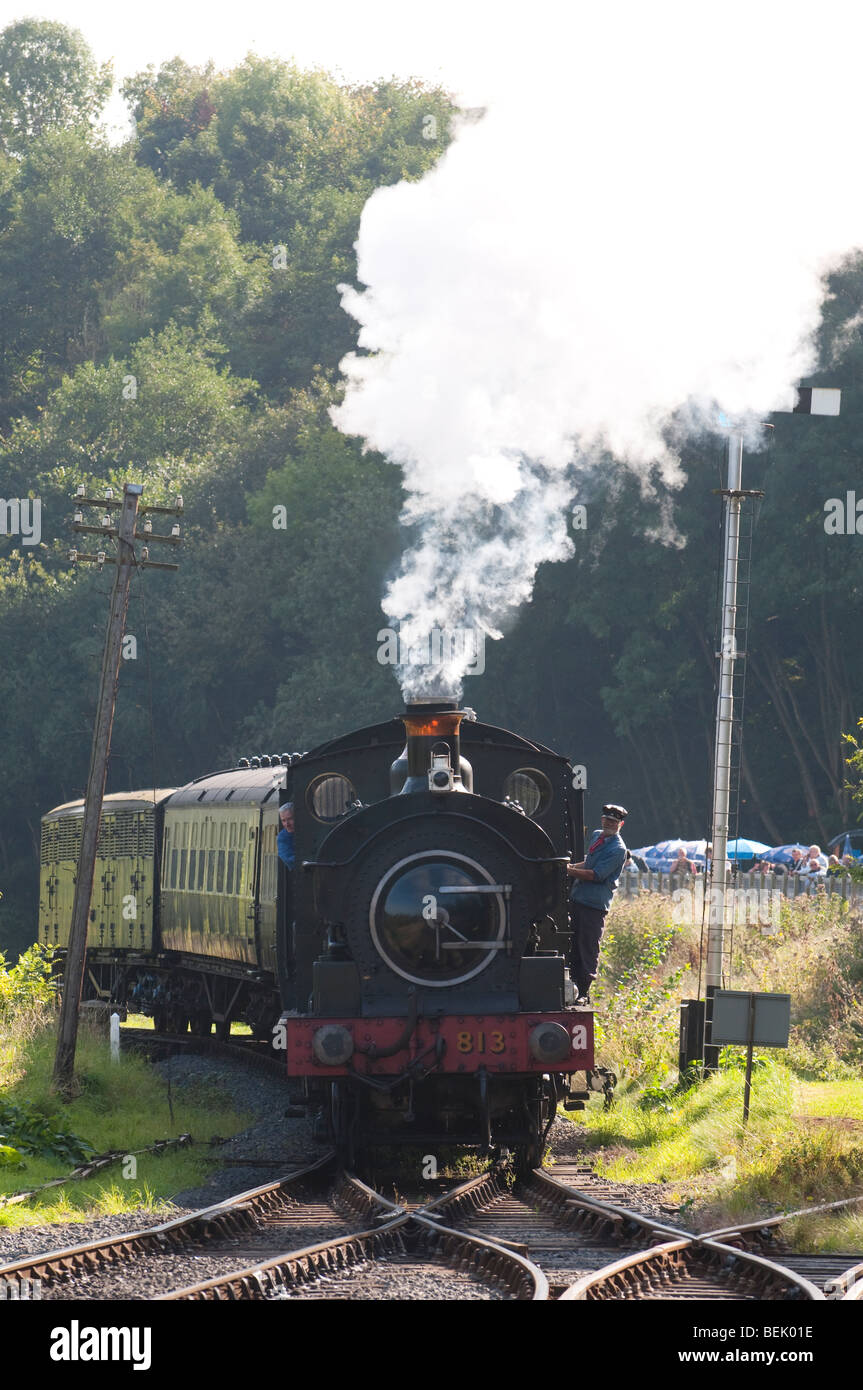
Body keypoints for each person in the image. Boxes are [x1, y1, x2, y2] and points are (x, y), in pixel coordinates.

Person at [567, 803, 628, 1003]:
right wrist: (570, 866)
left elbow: (596, 874)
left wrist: (568, 871)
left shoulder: (618, 849)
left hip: (594, 906)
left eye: (613, 822)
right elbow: (589, 863)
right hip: (578, 899)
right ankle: (572, 988)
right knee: (573, 945)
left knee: (588, 948)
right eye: (607, 820)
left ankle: (584, 992)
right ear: (602, 820)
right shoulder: (597, 836)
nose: (609, 823)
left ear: (621, 824)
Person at [277, 802, 295, 868]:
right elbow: (288, 859)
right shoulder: (282, 838)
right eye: (283, 821)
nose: (287, 824)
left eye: (290, 819)